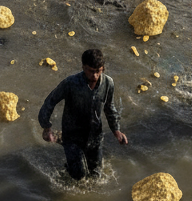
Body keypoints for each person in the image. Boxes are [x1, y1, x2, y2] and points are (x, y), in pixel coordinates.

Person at [38, 47, 128, 180]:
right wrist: (46, 126)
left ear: (103, 68)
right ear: (83, 67)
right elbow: (50, 101)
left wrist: (116, 131)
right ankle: (66, 149)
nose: (95, 76)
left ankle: (62, 141)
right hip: (73, 135)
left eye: (98, 71)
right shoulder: (70, 83)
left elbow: (109, 107)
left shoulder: (108, 83)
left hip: (95, 136)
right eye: (91, 71)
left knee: (96, 175)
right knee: (78, 176)